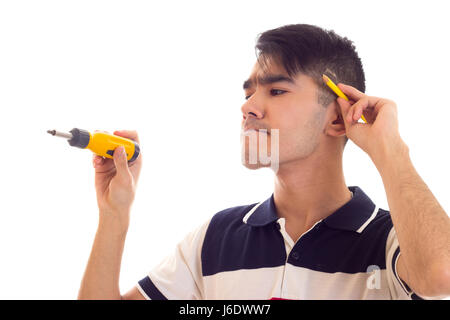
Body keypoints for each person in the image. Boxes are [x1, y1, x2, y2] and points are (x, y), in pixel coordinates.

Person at [78, 24, 450, 300]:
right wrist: (114, 214)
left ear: (337, 118)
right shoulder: (214, 240)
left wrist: (391, 150)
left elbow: (441, 275)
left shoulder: (390, 241)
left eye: (276, 90)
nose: (248, 106)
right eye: (249, 92)